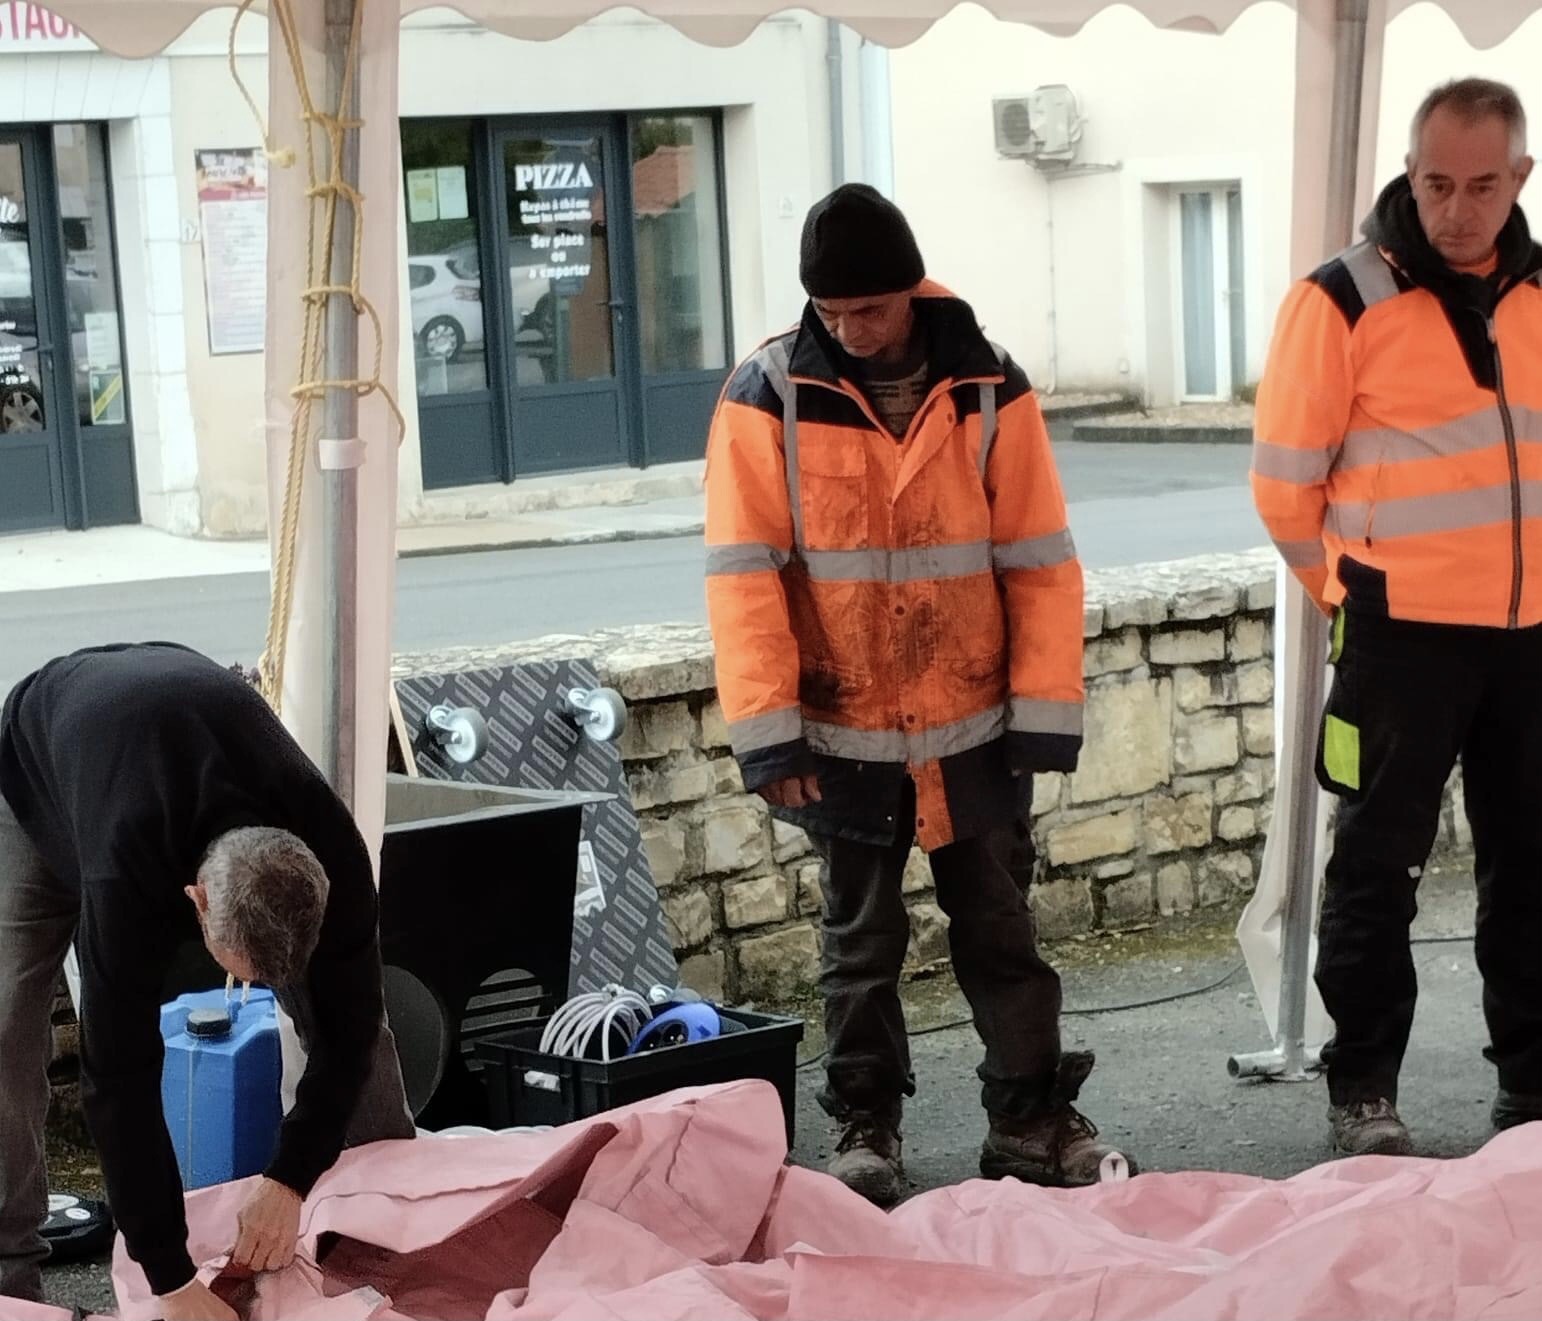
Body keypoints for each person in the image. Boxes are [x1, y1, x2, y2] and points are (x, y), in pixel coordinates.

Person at [703, 183, 1130, 1206]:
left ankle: (1029, 1118)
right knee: (859, 945)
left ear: (911, 290)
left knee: (1002, 933)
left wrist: (1042, 714)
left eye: (872, 311)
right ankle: (866, 1125)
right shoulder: (766, 394)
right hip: (840, 735)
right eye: (835, 315)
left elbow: (1038, 559)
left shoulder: (990, 385)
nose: (852, 332)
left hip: (976, 729)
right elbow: (743, 574)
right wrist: (771, 741)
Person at [1252, 76, 1542, 1157]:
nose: (1457, 209)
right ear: (1409, 171)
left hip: (1534, 639)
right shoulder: (1340, 300)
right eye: (1435, 184)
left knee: (1534, 861)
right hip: (1400, 635)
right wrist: (1352, 595)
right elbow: (1285, 485)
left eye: (1481, 185)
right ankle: (1363, 1084)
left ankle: (1533, 1083)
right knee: (1379, 865)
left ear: (1520, 178)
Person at [0, 643, 414, 1319]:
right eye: (239, 973)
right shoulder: (126, 873)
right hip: (38, 766)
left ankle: (393, 1225)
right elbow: (119, 1080)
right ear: (193, 900)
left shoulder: (333, 846)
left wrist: (290, 1174)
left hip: (163, 726)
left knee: (351, 1022)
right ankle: (7, 1282)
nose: (246, 991)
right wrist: (172, 1281)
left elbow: (352, 1025)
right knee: (5, 1026)